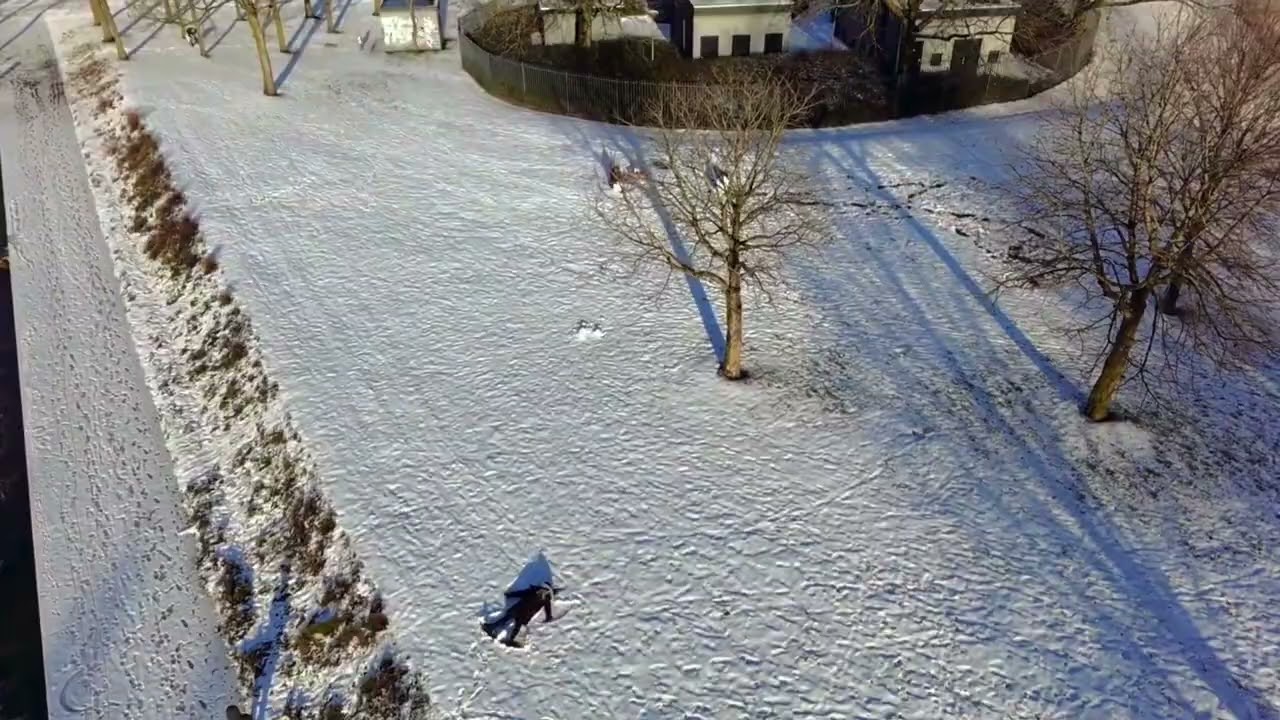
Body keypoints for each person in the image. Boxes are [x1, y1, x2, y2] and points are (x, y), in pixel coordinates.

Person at [481, 583, 558, 648]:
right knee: (506, 619)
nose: (542, 592)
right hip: (518, 609)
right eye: (543, 590)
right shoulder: (533, 591)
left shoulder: (545, 600)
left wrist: (549, 617)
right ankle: (491, 628)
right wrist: (510, 594)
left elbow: (548, 609)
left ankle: (510, 640)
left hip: (524, 614)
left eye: (545, 592)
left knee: (516, 625)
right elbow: (521, 593)